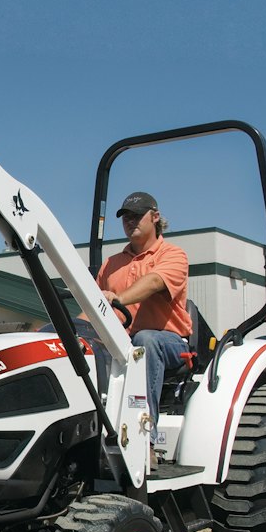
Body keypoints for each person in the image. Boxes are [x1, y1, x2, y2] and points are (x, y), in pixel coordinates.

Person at [96, 191, 192, 451]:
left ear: (155, 217)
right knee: (82, 346)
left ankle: (143, 441)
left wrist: (117, 299)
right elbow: (95, 307)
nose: (130, 221)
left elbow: (153, 282)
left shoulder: (173, 255)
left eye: (137, 216)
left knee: (144, 341)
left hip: (170, 344)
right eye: (126, 217)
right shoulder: (111, 264)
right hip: (122, 344)